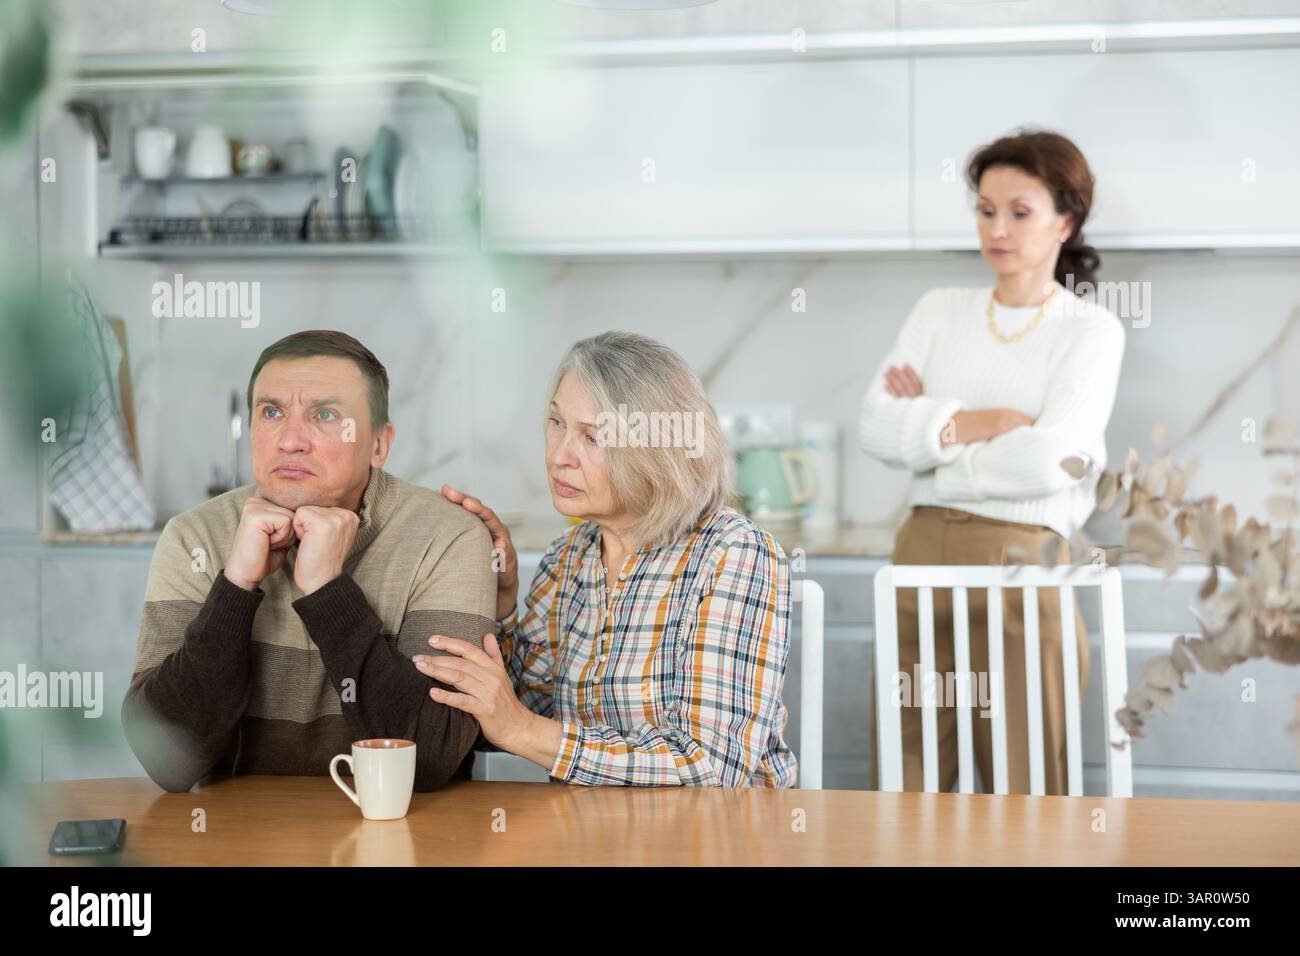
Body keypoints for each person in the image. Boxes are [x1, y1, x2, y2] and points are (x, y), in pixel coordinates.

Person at [859, 129, 1126, 794]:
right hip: (919, 548)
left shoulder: (1091, 330)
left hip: (1023, 561)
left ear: (1066, 220)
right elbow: (873, 424)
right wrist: (992, 424)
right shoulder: (938, 312)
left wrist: (933, 443)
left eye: (1019, 211)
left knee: (1026, 774)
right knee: (908, 770)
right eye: (985, 210)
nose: (997, 228)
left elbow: (1052, 461)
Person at [123, 330, 496, 793]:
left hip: (402, 840)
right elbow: (168, 761)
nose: (290, 440)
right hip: (232, 840)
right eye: (272, 412)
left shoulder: (449, 537)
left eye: (324, 415)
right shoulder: (194, 537)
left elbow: (428, 758)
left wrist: (326, 589)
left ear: (379, 444)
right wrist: (236, 588)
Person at [422, 331, 798, 786]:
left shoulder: (733, 553)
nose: (559, 456)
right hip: (591, 836)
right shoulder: (567, 558)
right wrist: (500, 603)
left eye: (592, 437)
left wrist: (523, 730)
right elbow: (507, 718)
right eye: (556, 422)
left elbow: (711, 768)